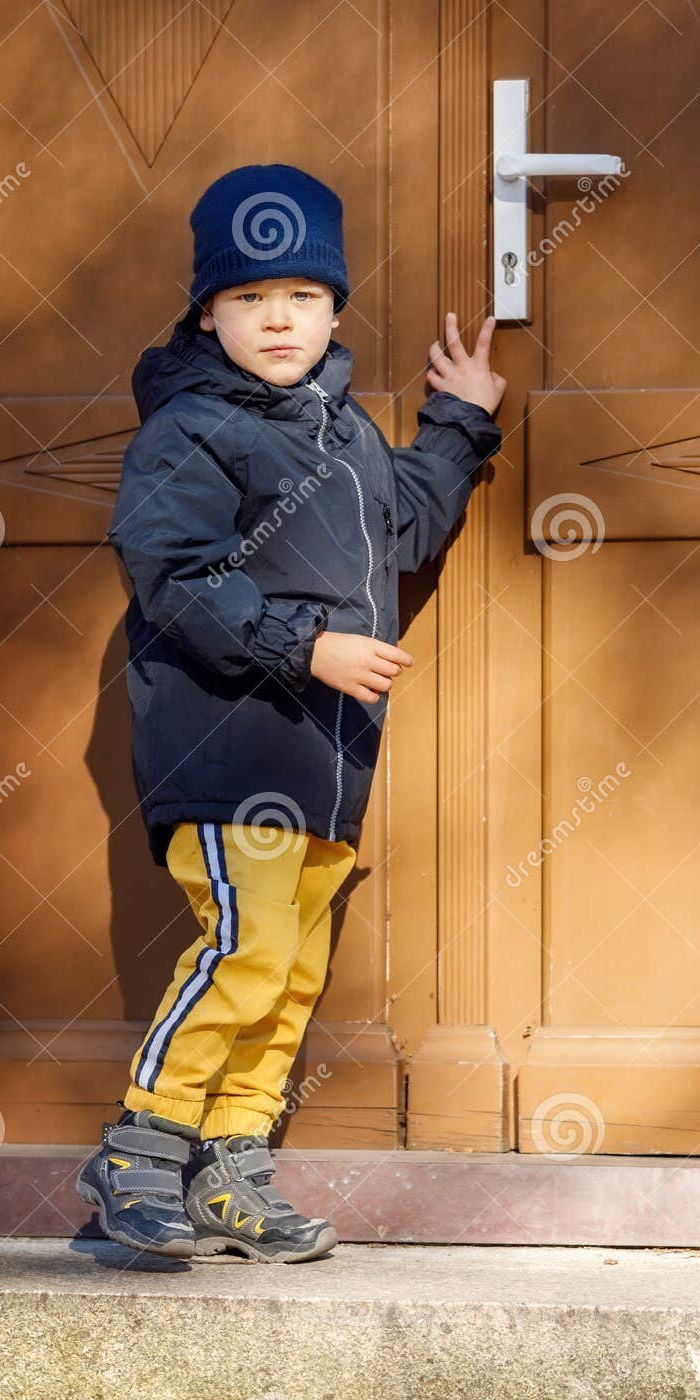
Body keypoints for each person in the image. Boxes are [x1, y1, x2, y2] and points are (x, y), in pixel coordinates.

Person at [76, 163, 505, 1262]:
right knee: (245, 948)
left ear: (332, 308)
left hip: (326, 759)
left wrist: (456, 420)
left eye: (303, 297)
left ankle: (232, 1166)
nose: (278, 319)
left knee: (291, 968)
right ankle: (138, 1151)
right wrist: (303, 644)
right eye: (249, 299)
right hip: (228, 744)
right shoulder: (193, 429)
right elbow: (169, 570)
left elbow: (403, 527)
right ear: (206, 311)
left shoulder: (345, 432)